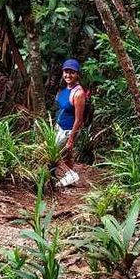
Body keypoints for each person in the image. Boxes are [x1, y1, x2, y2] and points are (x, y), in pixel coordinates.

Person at [54, 58, 86, 188]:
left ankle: (71, 175)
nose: (68, 75)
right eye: (66, 72)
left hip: (68, 130)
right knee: (67, 156)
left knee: (55, 154)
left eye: (72, 72)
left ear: (77, 74)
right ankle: (68, 178)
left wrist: (71, 139)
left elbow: (79, 119)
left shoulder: (78, 93)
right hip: (59, 127)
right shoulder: (64, 89)